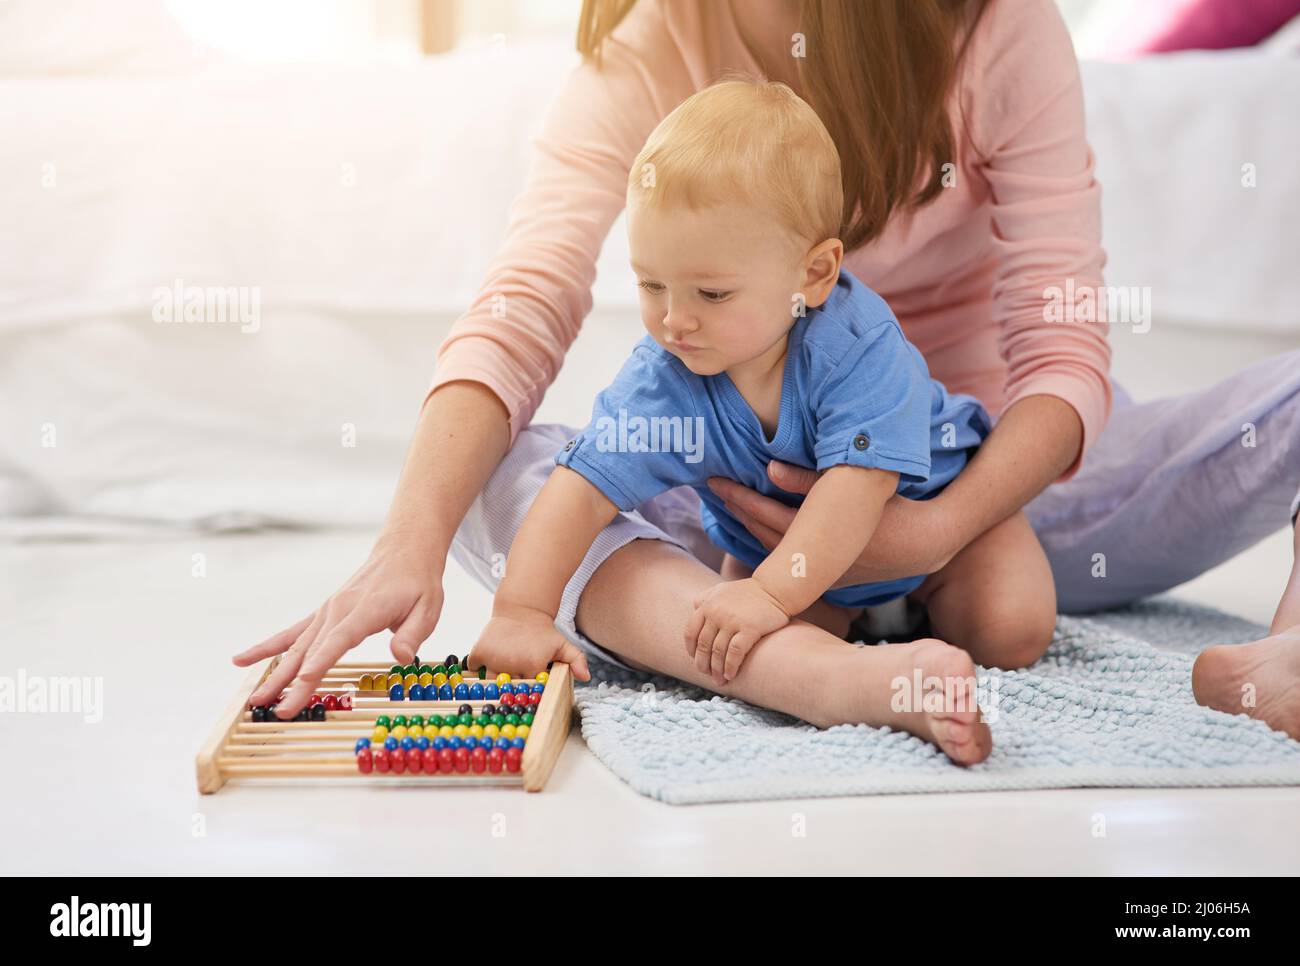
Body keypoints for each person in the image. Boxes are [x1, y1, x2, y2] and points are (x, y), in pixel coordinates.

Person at [233, 0, 1300, 744]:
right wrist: (407, 544)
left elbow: (1062, 350)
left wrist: (928, 528)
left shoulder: (993, 28)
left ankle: (1286, 656)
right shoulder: (649, 39)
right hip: (745, 514)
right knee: (491, 474)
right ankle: (810, 671)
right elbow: (528, 295)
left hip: (979, 478)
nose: (673, 319)